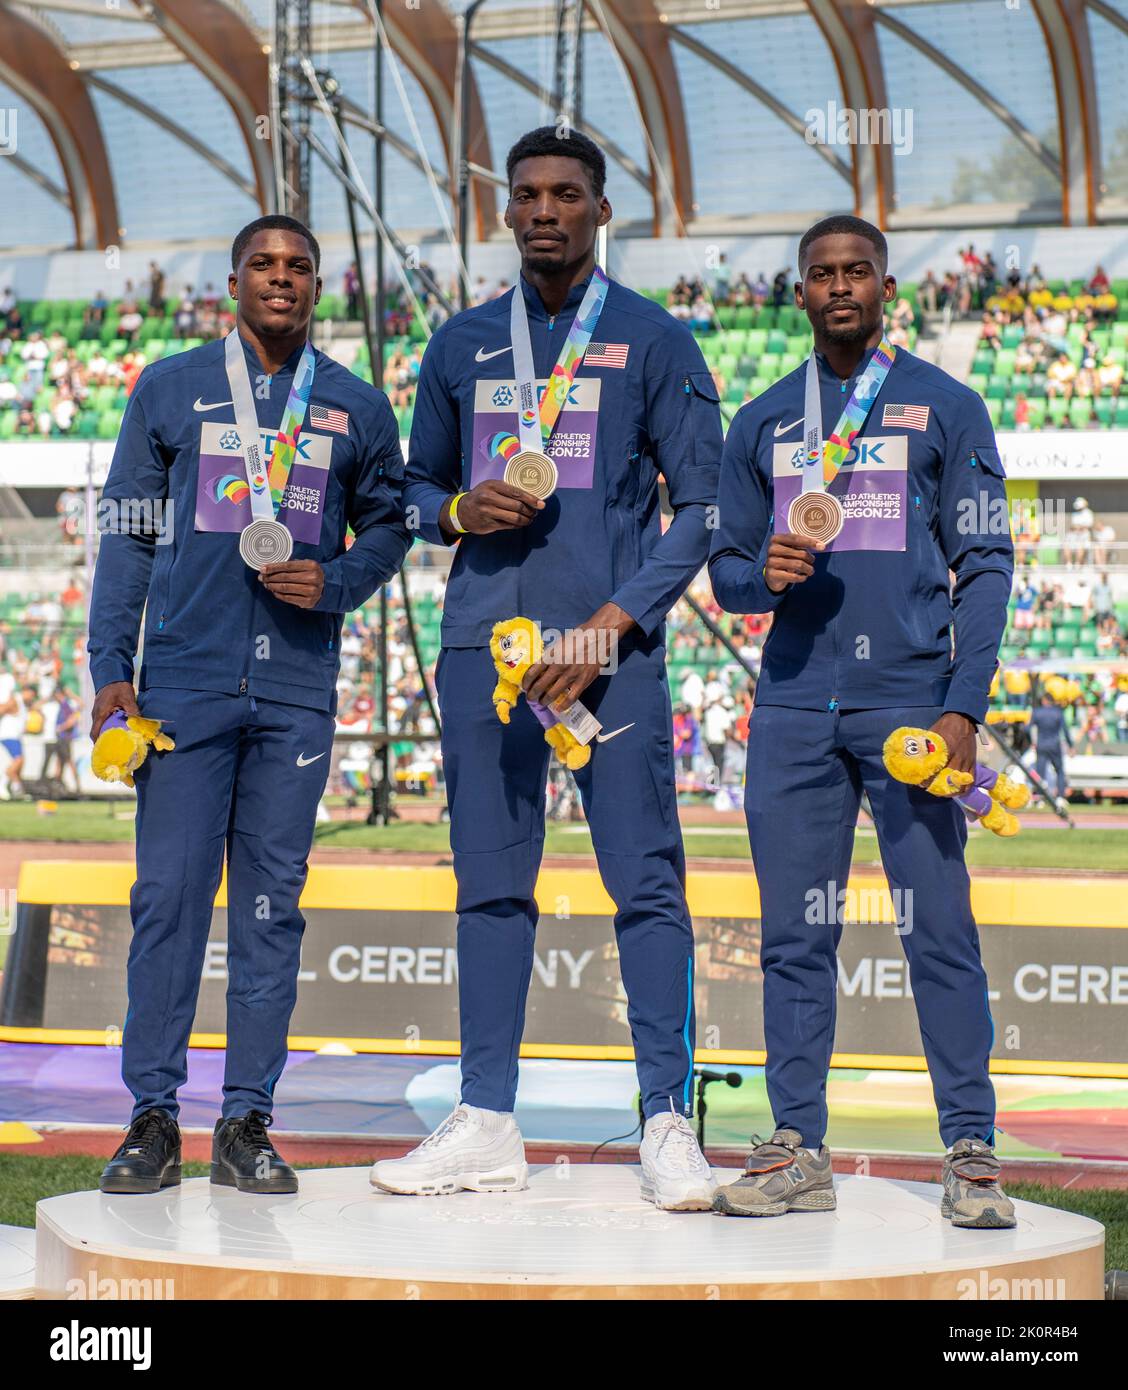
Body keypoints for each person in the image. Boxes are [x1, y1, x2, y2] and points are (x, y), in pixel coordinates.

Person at [389, 126, 723, 1210]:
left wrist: (612, 625)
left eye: (565, 195)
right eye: (526, 194)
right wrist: (452, 507)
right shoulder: (460, 344)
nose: (543, 210)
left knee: (647, 887)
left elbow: (706, 509)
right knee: (489, 886)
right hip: (482, 651)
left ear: (599, 211)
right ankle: (486, 1117)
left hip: (608, 661)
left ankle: (667, 1120)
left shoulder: (652, 340)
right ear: (507, 215)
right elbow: (406, 489)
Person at [88, 214, 411, 1197]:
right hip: (181, 685)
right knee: (169, 903)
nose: (282, 279)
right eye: (263, 266)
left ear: (319, 287)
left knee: (272, 912)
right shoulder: (170, 388)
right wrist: (110, 667)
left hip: (295, 688)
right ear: (232, 285)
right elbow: (127, 535)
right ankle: (151, 1117)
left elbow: (394, 524)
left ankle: (247, 1122)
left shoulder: (354, 406)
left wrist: (343, 580)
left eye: (299, 267)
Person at [707, 214, 1016, 1228]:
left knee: (941, 930)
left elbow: (986, 566)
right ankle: (798, 1144)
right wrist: (764, 576)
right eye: (822, 274)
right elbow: (726, 571)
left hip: (913, 711)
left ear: (887, 286)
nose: (840, 286)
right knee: (796, 937)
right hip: (795, 705)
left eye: (858, 271)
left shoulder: (947, 407)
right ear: (798, 293)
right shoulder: (758, 422)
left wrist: (965, 707)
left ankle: (971, 1150)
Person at [1031, 691, 1070, 803]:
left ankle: (1039, 798)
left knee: (1040, 773)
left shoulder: (1037, 712)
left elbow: (1028, 728)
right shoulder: (1058, 712)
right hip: (1055, 745)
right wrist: (1071, 745)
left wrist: (1032, 741)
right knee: (1059, 771)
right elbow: (1065, 730)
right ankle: (1061, 797)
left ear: (1044, 700)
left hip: (1041, 745)